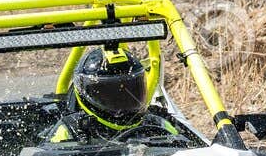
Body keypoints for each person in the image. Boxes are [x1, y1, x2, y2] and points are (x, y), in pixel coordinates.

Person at [48, 45, 179, 143]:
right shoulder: (70, 131)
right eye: (112, 95)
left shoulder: (157, 124)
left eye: (130, 91)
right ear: (86, 95)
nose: (122, 102)